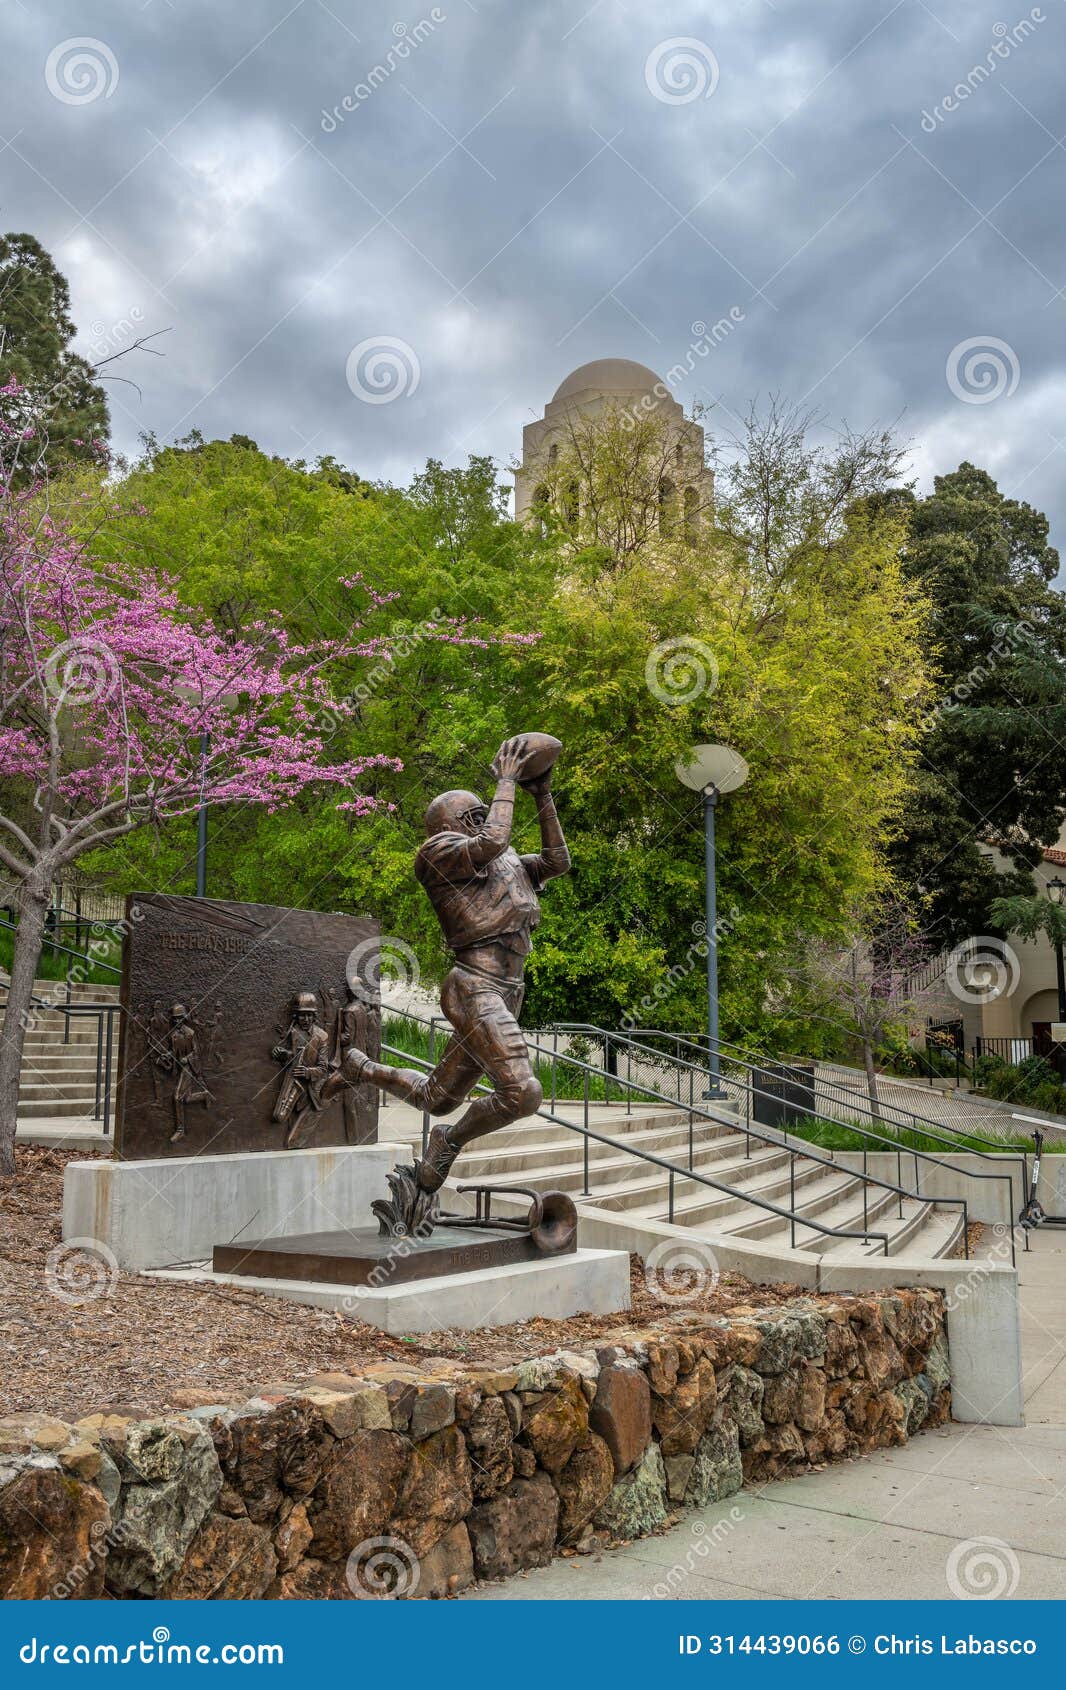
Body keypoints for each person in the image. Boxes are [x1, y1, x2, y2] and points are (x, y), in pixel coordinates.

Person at [322, 735, 569, 1192]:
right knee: (523, 1092)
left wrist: (543, 794)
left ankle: (360, 1068)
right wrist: (507, 780)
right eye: (474, 815)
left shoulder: (506, 860)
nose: (485, 819)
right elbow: (494, 839)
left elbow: (557, 861)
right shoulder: (437, 853)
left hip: (508, 991)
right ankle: (449, 1141)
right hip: (475, 986)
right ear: (449, 825)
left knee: (436, 1097)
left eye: (484, 812)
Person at [271, 990, 332, 1149]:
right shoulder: (294, 1032)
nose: (306, 1019)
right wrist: (283, 1054)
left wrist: (307, 1072)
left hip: (312, 1093)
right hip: (292, 1086)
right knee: (283, 1120)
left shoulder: (322, 1036)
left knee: (295, 1140)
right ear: (296, 1016)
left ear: (314, 1016)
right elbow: (294, 1056)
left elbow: (323, 1068)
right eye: (302, 1015)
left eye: (309, 1015)